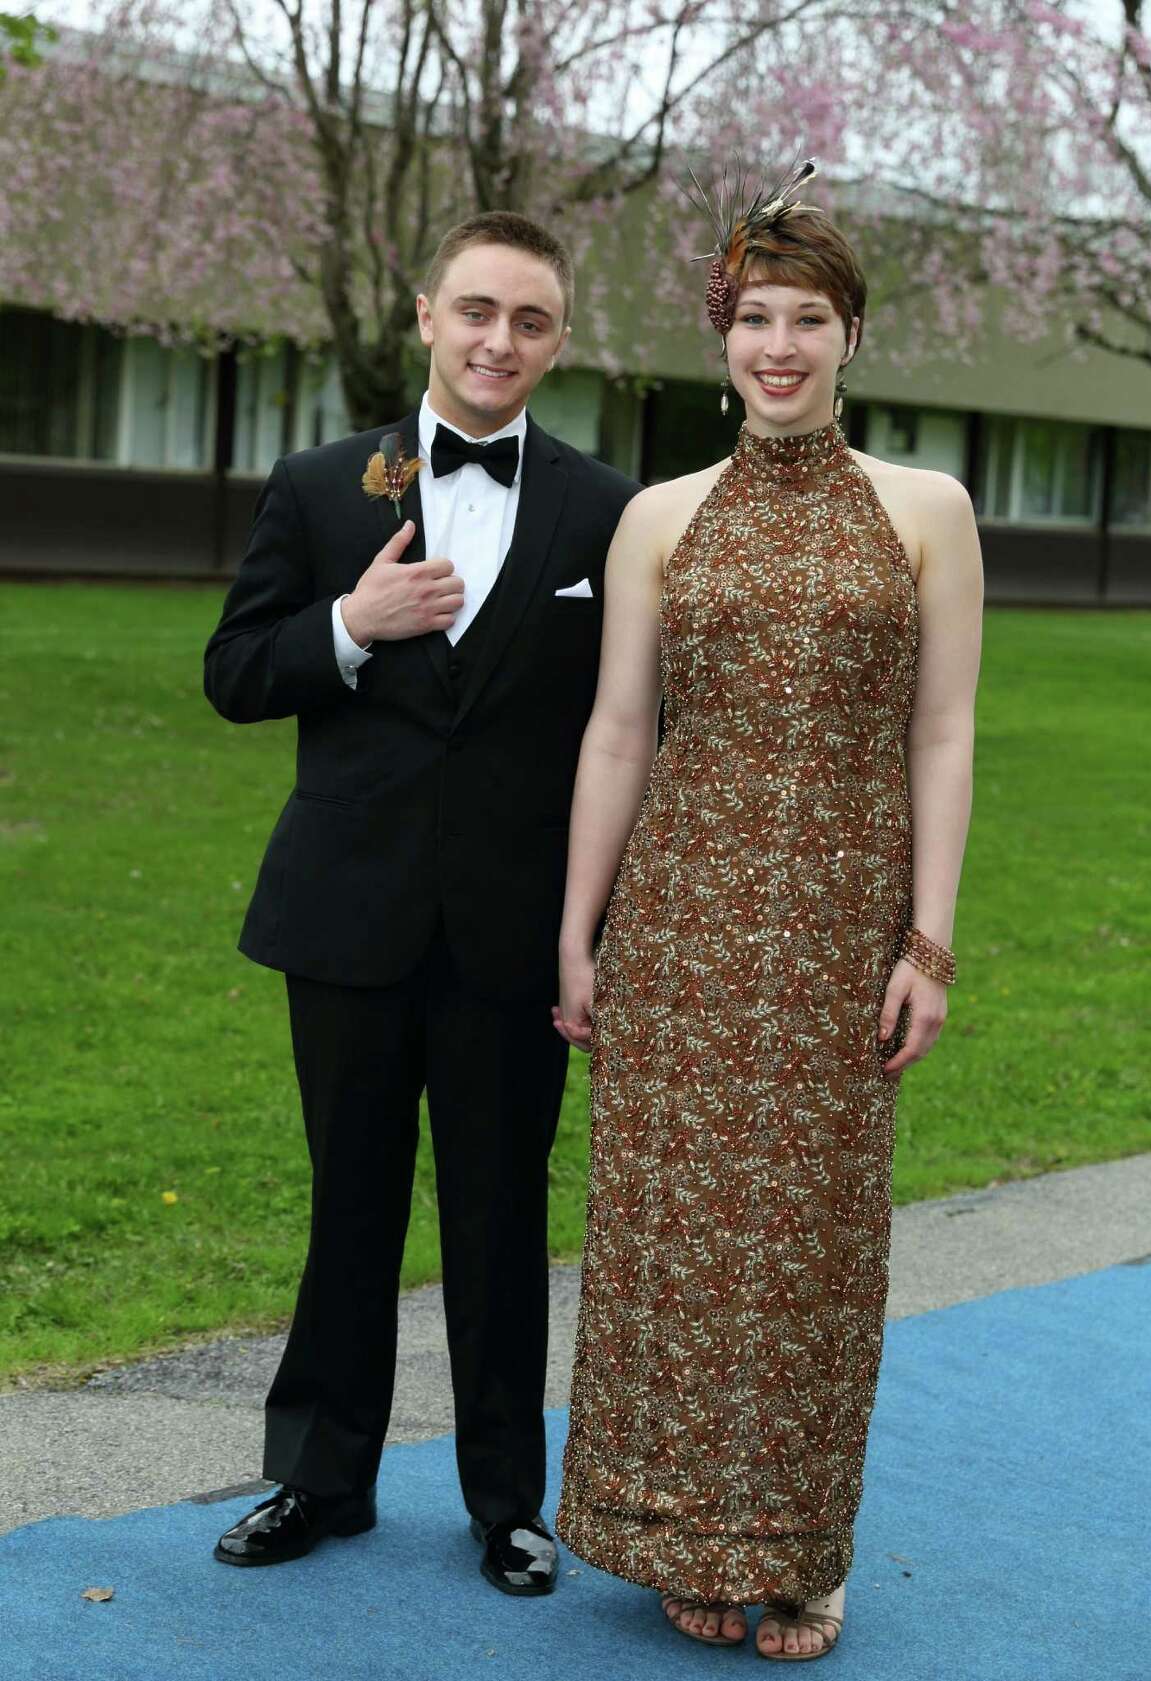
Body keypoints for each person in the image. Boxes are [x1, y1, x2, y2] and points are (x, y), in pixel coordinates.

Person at [551, 159, 982, 1660]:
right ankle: (679, 1530)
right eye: (754, 319)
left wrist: (928, 939)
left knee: (808, 1248)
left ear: (852, 335)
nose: (778, 347)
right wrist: (577, 932)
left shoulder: (928, 509)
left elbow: (942, 732)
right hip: (675, 933)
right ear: (720, 335)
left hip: (835, 938)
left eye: (808, 318)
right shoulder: (658, 517)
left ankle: (800, 1548)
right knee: (673, 1241)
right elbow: (619, 732)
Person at [202, 211, 639, 1592]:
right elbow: (233, 668)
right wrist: (346, 627)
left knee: (504, 1217)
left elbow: (634, 724)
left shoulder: (607, 511)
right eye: (475, 310)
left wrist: (596, 924)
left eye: (527, 320)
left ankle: (508, 1496)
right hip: (345, 917)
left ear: (557, 341)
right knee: (351, 1204)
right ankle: (319, 1478)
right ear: (426, 314)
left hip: (514, 932)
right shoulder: (327, 481)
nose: (496, 339)